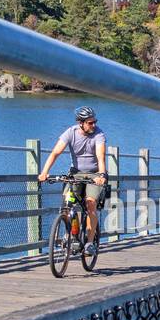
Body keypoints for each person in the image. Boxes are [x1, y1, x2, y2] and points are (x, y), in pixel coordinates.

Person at [38, 105, 107, 254]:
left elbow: (101, 157)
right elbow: (55, 152)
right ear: (80, 123)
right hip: (75, 174)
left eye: (94, 121)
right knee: (67, 204)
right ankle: (70, 234)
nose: (93, 125)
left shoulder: (99, 134)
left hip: (94, 175)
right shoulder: (71, 132)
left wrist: (102, 175)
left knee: (90, 204)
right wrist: (44, 172)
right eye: (90, 122)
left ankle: (89, 243)